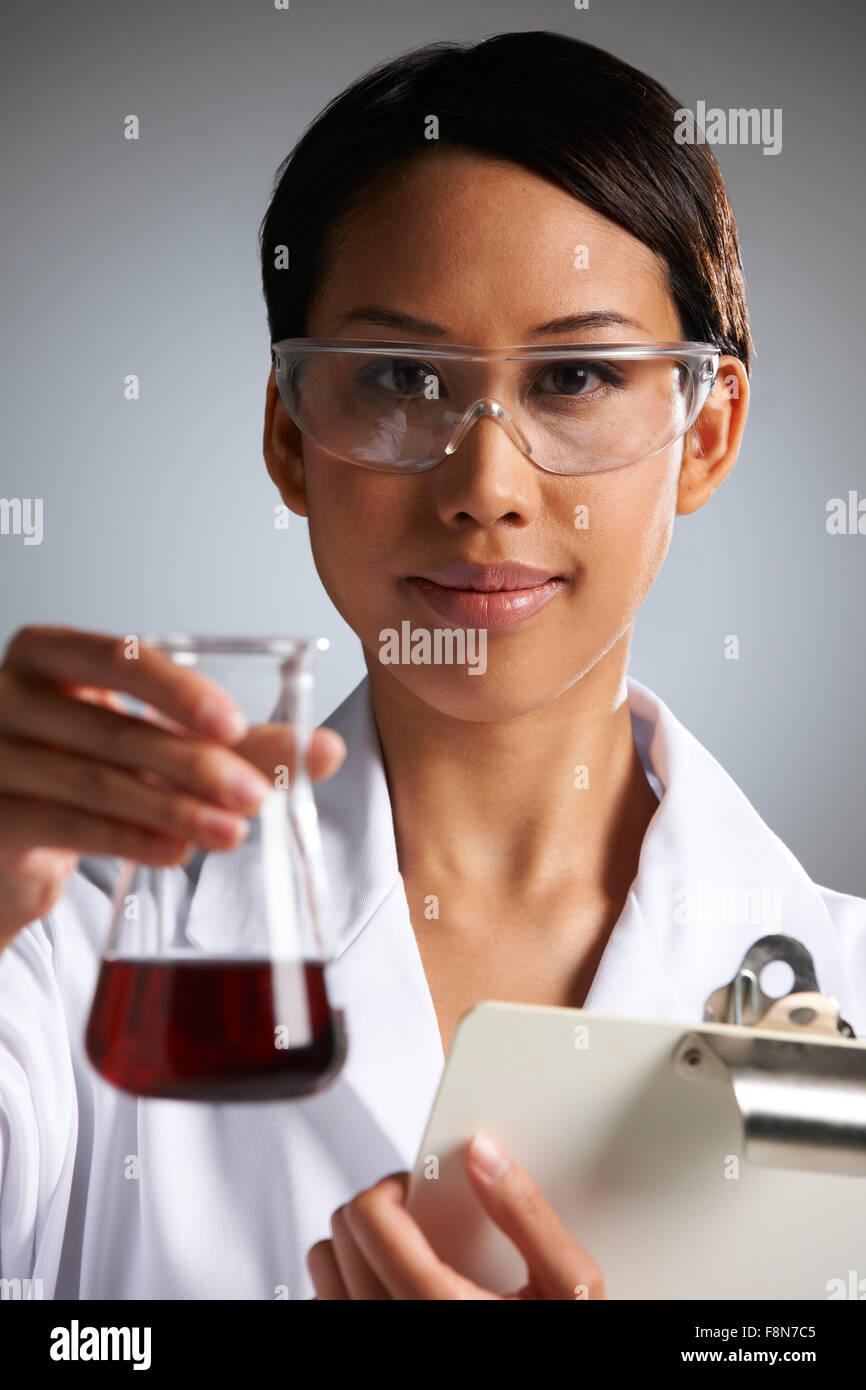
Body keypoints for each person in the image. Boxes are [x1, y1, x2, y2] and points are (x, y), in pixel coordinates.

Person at [0, 31, 863, 1302]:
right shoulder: (78, 940)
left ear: (704, 431)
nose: (486, 486)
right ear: (290, 439)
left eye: (574, 375)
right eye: (401, 377)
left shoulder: (839, 998)